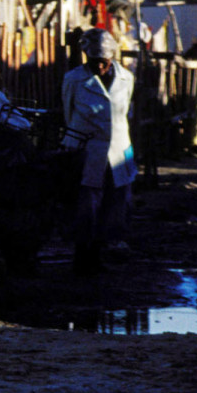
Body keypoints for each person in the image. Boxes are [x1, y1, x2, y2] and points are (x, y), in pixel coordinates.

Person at [61, 27, 136, 276]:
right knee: (85, 206)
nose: (99, 68)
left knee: (114, 205)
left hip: (118, 150)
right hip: (86, 149)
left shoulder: (126, 78)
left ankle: (100, 253)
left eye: (103, 63)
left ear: (112, 58)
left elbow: (125, 113)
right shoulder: (74, 79)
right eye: (94, 63)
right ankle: (82, 258)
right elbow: (68, 113)